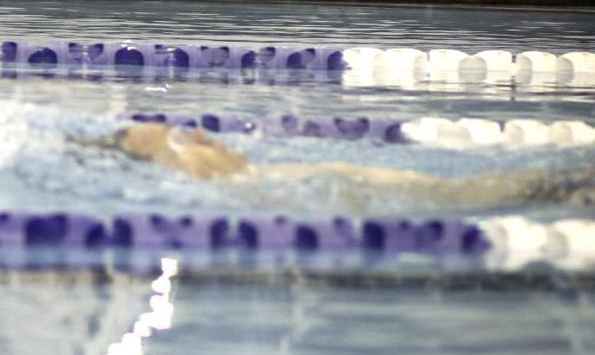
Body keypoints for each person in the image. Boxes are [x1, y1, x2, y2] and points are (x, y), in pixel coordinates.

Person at [117, 123, 595, 212]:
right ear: (178, 169)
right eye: (183, 140)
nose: (202, 134)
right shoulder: (249, 192)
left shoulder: (264, 180)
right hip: (456, 197)